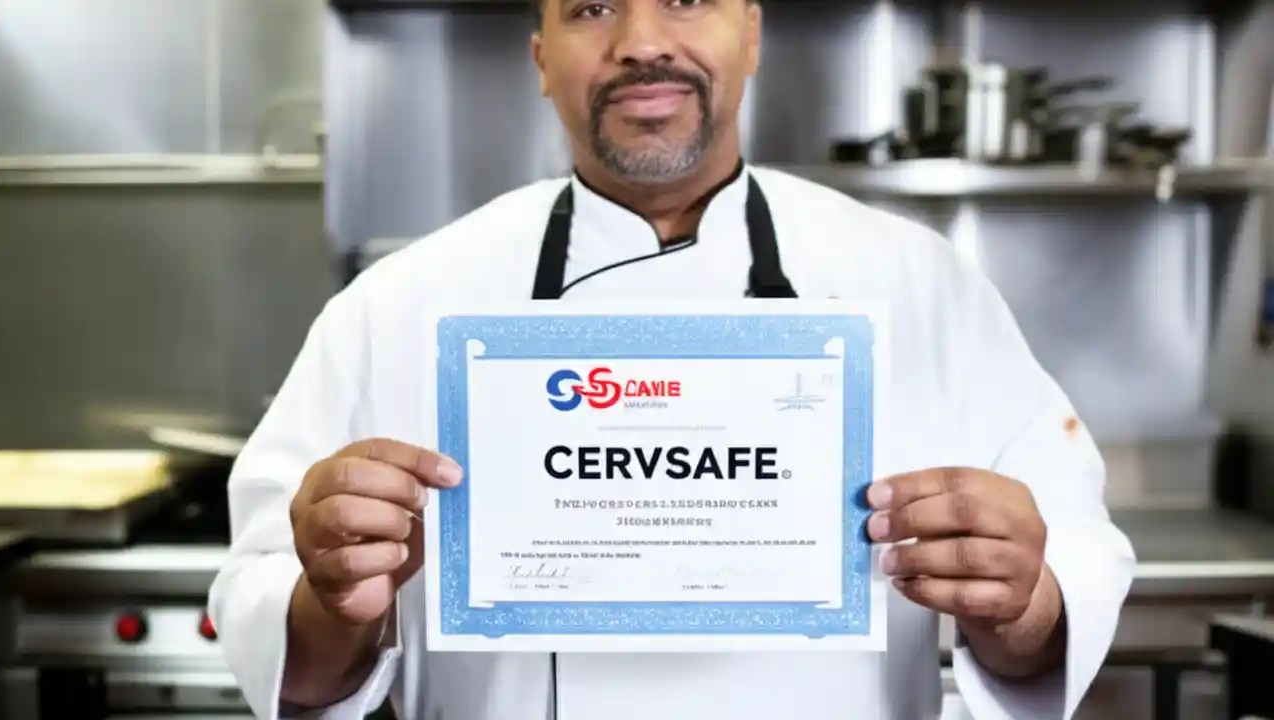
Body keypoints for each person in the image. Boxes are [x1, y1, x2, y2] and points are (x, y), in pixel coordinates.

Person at [208, 0, 1136, 718]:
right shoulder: (398, 304)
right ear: (540, 57)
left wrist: (1021, 602)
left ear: (752, 33)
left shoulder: (922, 287)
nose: (643, 40)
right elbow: (273, 618)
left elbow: (1067, 575)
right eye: (591, 8)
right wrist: (332, 604)